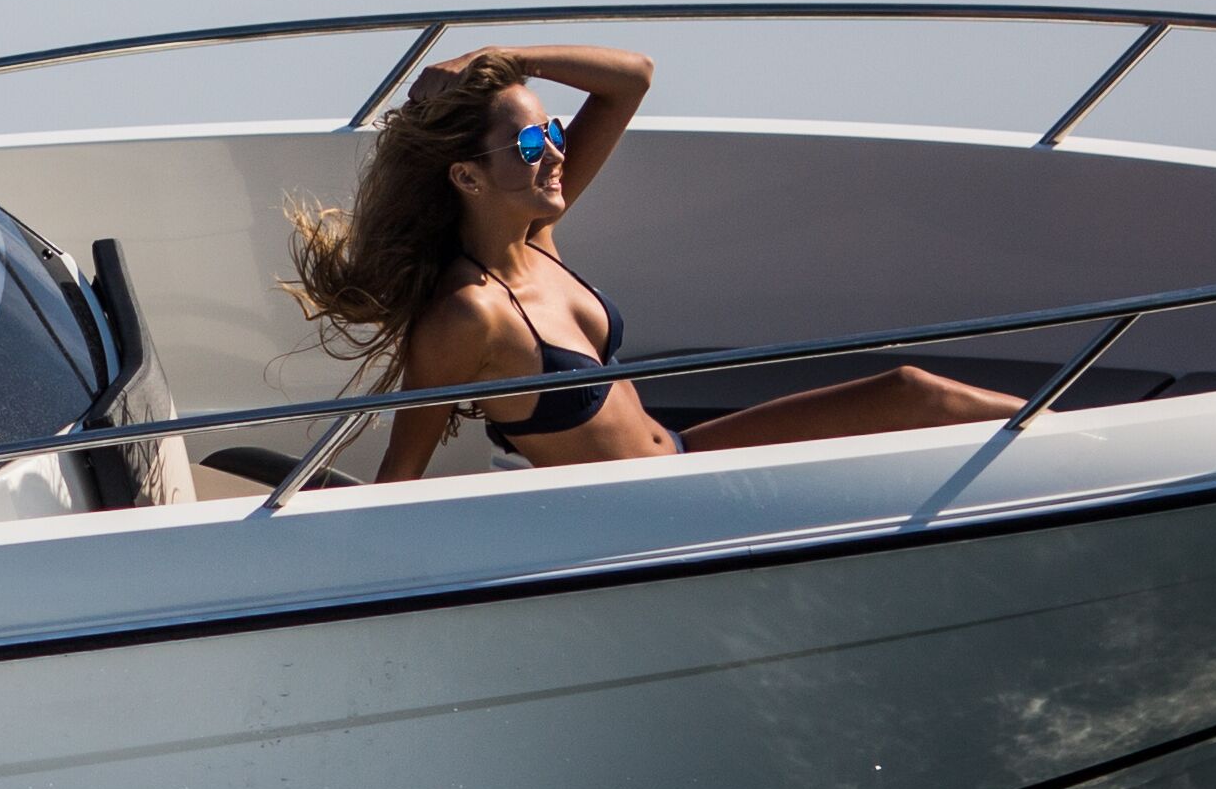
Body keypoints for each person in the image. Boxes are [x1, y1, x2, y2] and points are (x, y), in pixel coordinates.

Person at [285, 45, 1016, 483]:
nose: (556, 154)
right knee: (914, 406)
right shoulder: (468, 312)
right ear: (467, 178)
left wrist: (507, 59)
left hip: (681, 457)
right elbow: (403, 472)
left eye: (554, 133)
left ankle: (1116, 443)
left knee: (914, 391)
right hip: (648, 514)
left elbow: (632, 77)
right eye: (531, 146)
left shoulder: (540, 237)